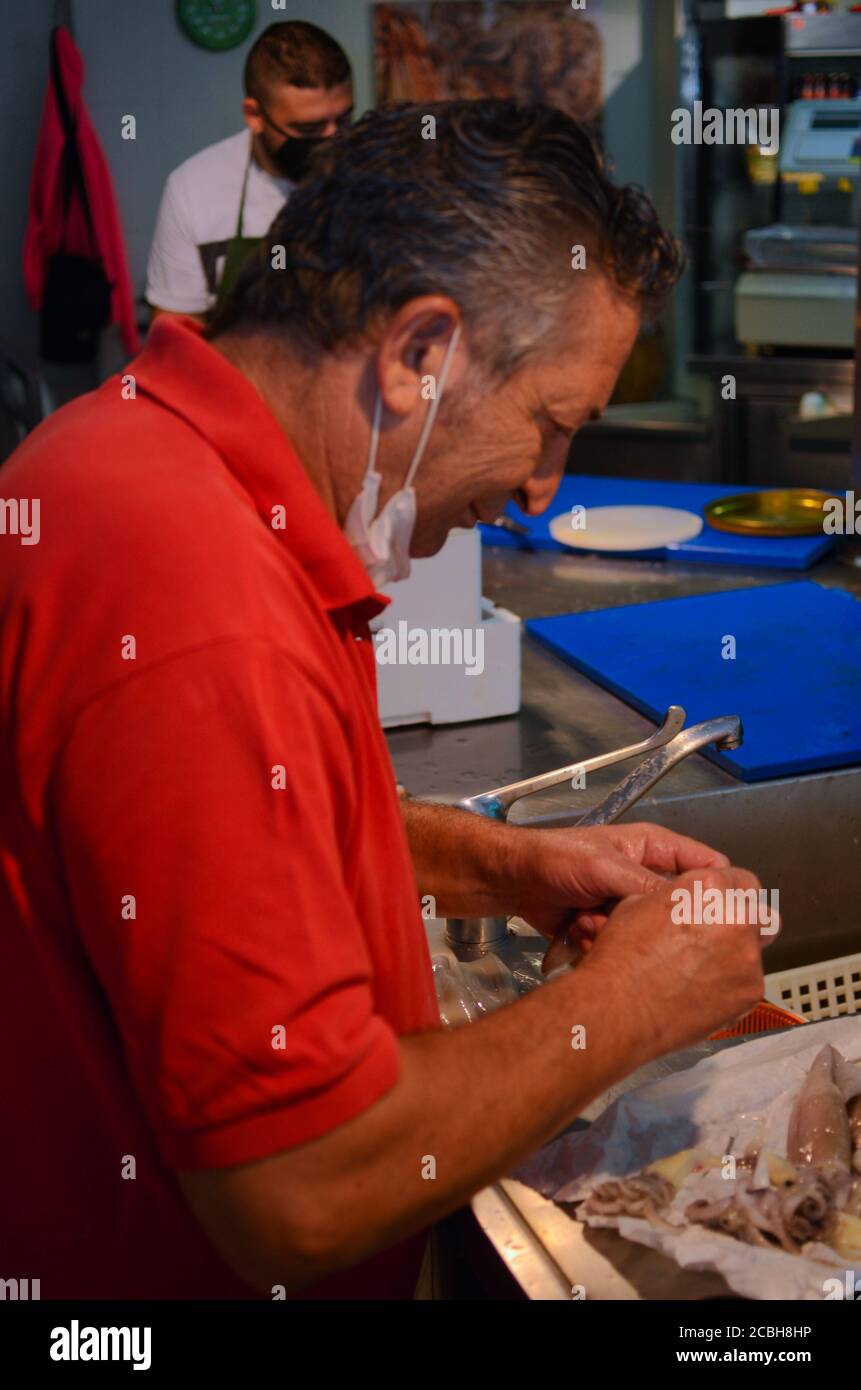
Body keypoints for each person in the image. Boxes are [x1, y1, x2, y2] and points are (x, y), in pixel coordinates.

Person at [0, 100, 774, 1301]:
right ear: (422, 351)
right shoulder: (200, 602)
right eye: (548, 425)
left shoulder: (139, 459)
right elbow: (298, 1183)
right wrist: (629, 1000)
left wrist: (492, 863)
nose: (537, 489)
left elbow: (211, 834)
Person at [145, 20, 353, 323]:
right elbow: (177, 335)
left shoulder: (374, 174)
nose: (332, 138)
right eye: (309, 128)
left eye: (344, 120)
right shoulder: (193, 188)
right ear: (254, 115)